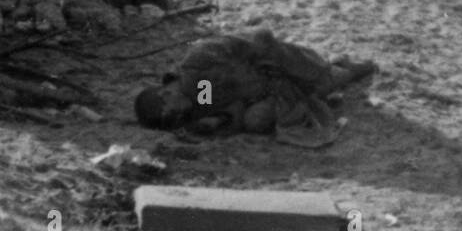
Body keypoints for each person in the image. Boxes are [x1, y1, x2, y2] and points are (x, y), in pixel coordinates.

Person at [135, 29, 374, 144]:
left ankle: (346, 68)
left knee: (325, 80)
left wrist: (274, 62)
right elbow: (227, 104)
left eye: (172, 114)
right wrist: (217, 121)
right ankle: (333, 72)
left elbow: (255, 40)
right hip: (267, 93)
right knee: (255, 121)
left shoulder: (198, 60)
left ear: (166, 93)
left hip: (278, 68)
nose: (180, 117)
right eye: (173, 121)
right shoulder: (193, 98)